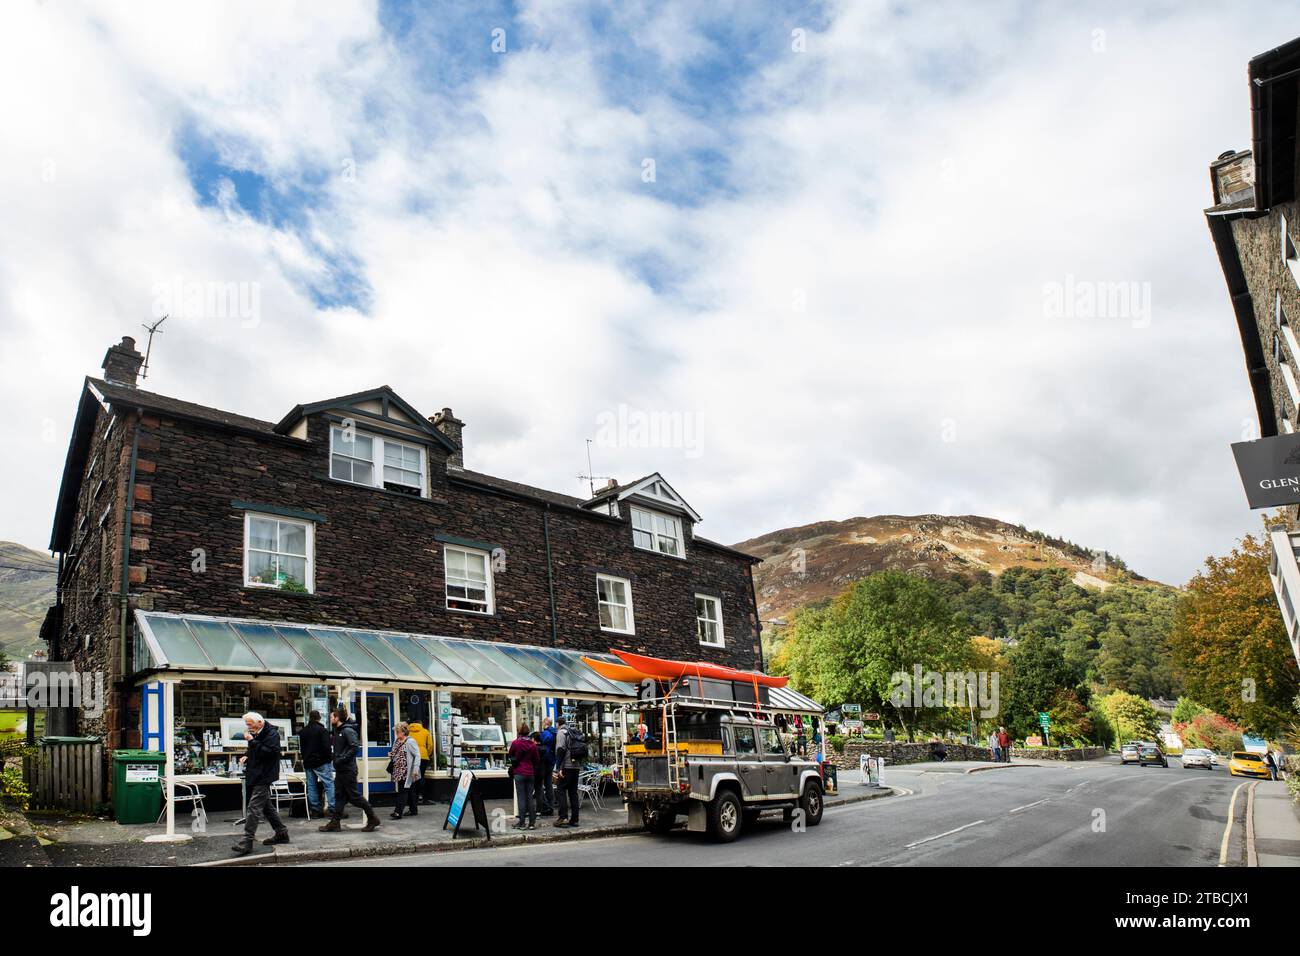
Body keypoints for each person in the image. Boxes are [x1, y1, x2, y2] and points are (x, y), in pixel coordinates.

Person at [231, 711, 290, 856]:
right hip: (256, 773)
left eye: (250, 724)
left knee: (254, 807)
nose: (248, 727)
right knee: (266, 807)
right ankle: (281, 833)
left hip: (264, 775)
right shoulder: (258, 732)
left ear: (259, 722)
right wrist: (247, 754)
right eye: (247, 725)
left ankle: (246, 842)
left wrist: (251, 741)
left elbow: (269, 753)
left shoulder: (272, 734)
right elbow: (255, 750)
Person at [319, 707, 381, 833]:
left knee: (354, 797)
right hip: (341, 770)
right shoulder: (338, 731)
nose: (330, 719)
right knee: (340, 796)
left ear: (337, 718)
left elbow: (354, 747)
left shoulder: (347, 731)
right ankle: (335, 823)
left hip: (348, 770)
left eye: (332, 717)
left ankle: (373, 818)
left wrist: (340, 759)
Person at [299, 709, 335, 817]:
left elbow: (303, 748)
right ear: (319, 718)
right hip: (322, 762)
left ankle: (315, 810)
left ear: (309, 718)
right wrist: (329, 758)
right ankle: (333, 809)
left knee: (312, 786)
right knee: (329, 784)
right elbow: (326, 747)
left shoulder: (303, 731)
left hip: (308, 762)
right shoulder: (322, 730)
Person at [508, 722, 540, 830]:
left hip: (519, 773)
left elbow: (510, 755)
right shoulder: (533, 745)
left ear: (519, 732)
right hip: (530, 773)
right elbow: (537, 760)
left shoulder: (515, 743)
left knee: (521, 798)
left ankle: (521, 822)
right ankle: (532, 823)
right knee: (530, 797)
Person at [552, 717, 582, 828]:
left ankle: (563, 817)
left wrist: (558, 768)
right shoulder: (572, 732)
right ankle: (574, 819)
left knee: (561, 790)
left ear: (558, 723)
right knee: (573, 792)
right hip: (576, 767)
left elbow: (560, 750)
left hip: (566, 767)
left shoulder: (561, 733)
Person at [389, 722, 422, 819]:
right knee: (409, 790)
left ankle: (398, 812)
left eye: (398, 731)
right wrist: (391, 754)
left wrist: (415, 769)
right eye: (396, 731)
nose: (396, 733)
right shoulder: (397, 741)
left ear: (403, 732)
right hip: (398, 770)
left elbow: (417, 755)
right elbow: (396, 752)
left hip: (406, 771)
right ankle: (413, 809)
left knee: (402, 791)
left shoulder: (410, 741)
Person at [407, 718, 435, 804]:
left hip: (412, 756)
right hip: (423, 756)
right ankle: (420, 795)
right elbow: (430, 745)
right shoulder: (425, 732)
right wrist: (427, 753)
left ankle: (412, 795)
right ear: (421, 723)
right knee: (421, 775)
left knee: (413, 776)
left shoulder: (408, 732)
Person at [537, 717, 557, 817]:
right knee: (549, 784)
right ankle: (551, 806)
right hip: (552, 760)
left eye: (543, 722)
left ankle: (544, 807)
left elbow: (543, 741)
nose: (542, 724)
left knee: (540, 784)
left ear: (546, 723)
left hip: (544, 760)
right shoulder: (555, 732)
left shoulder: (547, 733)